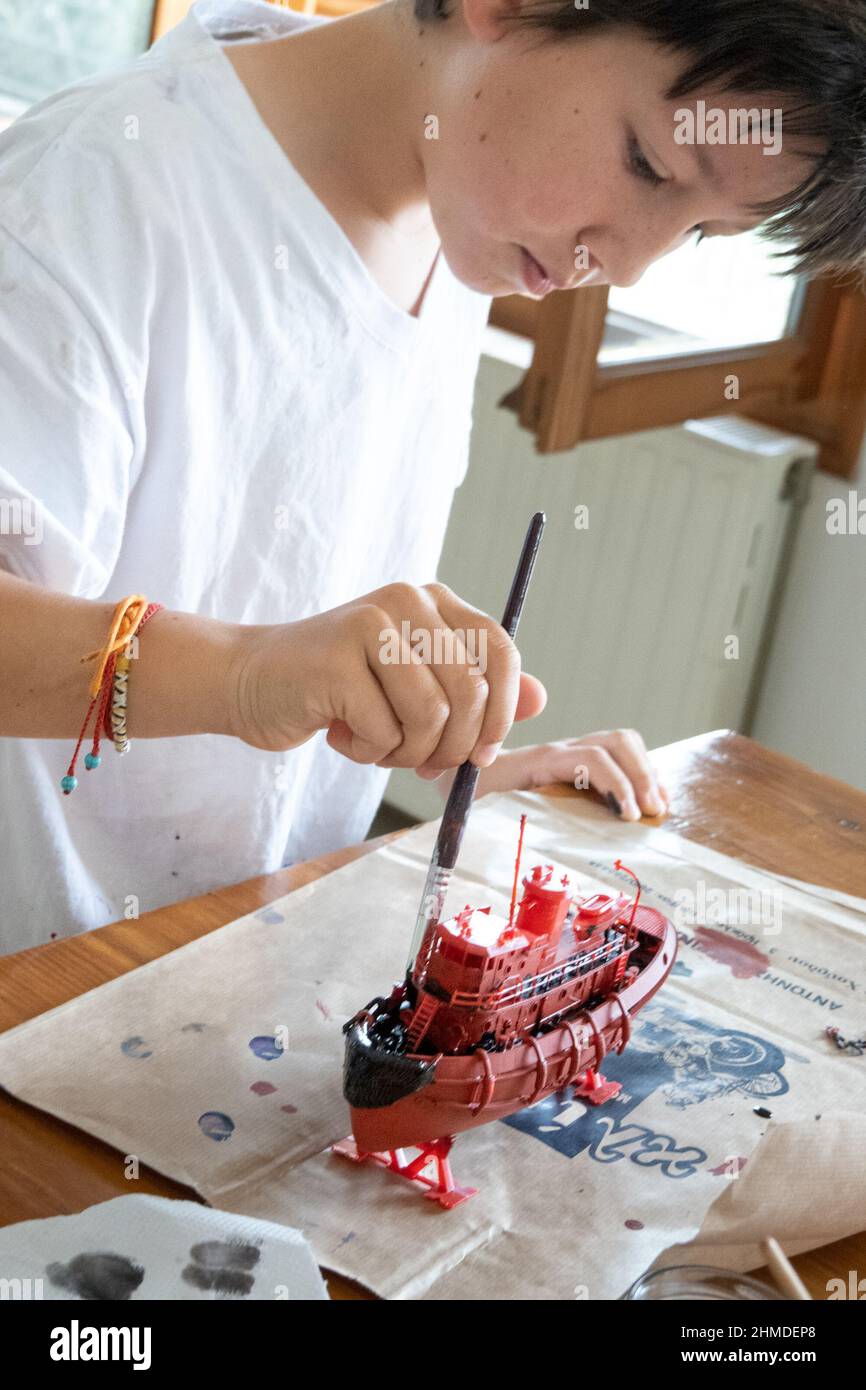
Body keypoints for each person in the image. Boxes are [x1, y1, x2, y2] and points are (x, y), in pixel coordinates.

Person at [1, 0, 860, 949]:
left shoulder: (452, 212)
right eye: (649, 165)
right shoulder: (86, 197)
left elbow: (277, 652)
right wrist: (248, 673)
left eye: (699, 231)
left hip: (217, 963)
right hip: (37, 989)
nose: (628, 266)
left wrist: (473, 790)